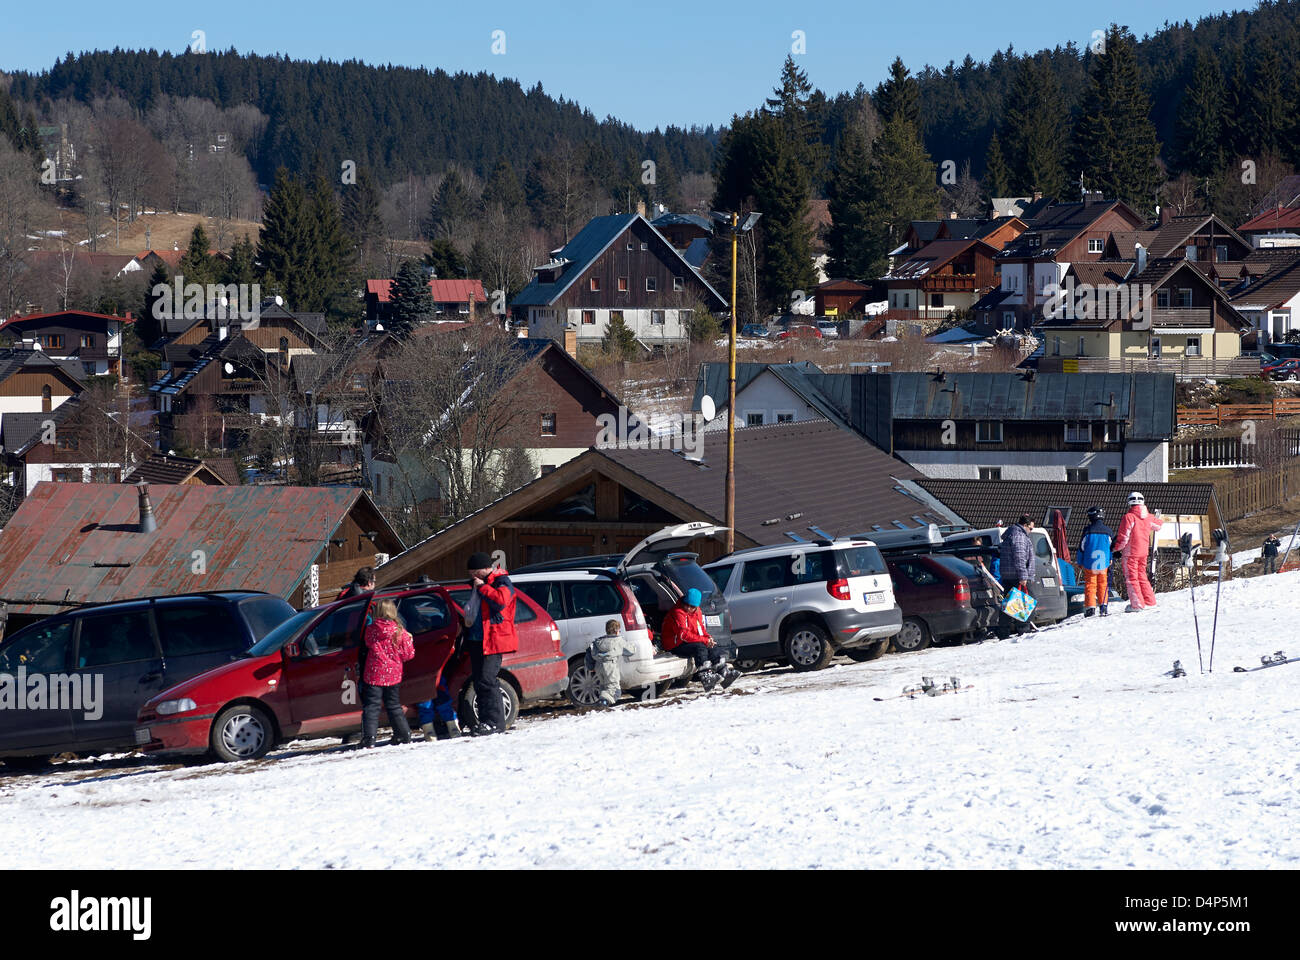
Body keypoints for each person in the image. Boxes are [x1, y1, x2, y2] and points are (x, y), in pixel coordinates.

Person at [463, 552, 519, 736]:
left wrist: (482, 587)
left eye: (474, 572)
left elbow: (501, 601)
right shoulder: (480, 583)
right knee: (480, 682)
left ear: (483, 569)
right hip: (477, 640)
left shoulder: (502, 581)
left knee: (487, 680)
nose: (472, 576)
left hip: (494, 639)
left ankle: (495, 723)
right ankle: (487, 722)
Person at [359, 599, 415, 748]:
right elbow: (408, 655)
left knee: (371, 707)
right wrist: (410, 640)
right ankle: (404, 734)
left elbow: (367, 643)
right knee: (394, 705)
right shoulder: (400, 631)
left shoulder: (371, 629)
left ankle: (369, 738)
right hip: (393, 674)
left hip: (375, 673)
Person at [661, 588, 738, 691]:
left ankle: (724, 672)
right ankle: (706, 677)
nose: (688, 608)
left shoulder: (697, 612)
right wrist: (704, 641)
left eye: (692, 606)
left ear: (696, 606)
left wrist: (708, 639)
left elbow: (700, 630)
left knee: (711, 646)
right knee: (700, 647)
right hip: (674, 644)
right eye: (686, 604)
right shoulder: (678, 612)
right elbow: (683, 635)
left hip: (686, 641)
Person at [1113, 492, 1163, 612]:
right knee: (1142, 576)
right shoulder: (1148, 517)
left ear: (1129, 501)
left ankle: (1137, 604)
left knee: (1131, 578)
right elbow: (1159, 525)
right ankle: (1150, 601)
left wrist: (1115, 548)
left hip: (1130, 552)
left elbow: (1124, 537)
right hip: (1143, 551)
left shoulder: (1129, 517)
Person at [995, 515, 1036, 639]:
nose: (1031, 531)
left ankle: (1003, 631)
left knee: (1009, 603)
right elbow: (1019, 558)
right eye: (1031, 528)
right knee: (1026, 601)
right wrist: (1023, 576)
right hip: (1017, 576)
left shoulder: (1012, 534)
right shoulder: (1019, 536)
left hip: (1009, 574)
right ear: (1025, 525)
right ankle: (1023, 629)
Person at [1076, 506, 1115, 617]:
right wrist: (1110, 559)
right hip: (1104, 563)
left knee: (1090, 585)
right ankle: (1103, 606)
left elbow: (1081, 548)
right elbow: (1111, 548)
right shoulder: (1108, 531)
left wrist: (1080, 562)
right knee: (1103, 585)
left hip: (1089, 563)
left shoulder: (1087, 531)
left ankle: (1090, 608)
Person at [588, 619, 633, 707]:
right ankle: (603, 703)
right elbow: (631, 651)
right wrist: (632, 645)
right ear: (616, 631)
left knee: (604, 686)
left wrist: (590, 666)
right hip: (610, 666)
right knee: (615, 690)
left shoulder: (598, 642)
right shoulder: (618, 640)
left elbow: (589, 652)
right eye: (619, 630)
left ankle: (604, 703)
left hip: (598, 666)